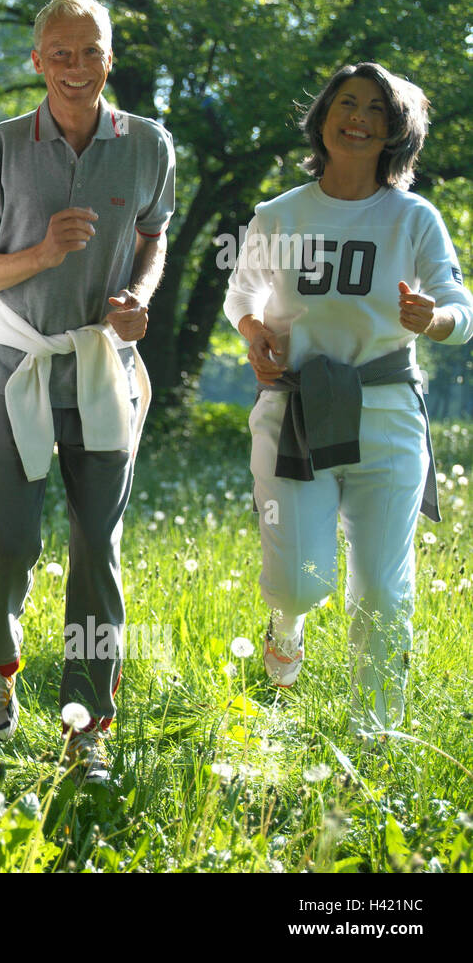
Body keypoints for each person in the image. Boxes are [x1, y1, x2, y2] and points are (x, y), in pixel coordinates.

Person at [0, 0, 174, 783]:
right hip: (17, 363)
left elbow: (154, 231)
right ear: (38, 59)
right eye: (61, 52)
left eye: (91, 52)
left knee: (96, 551)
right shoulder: (1, 146)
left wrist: (139, 295)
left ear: (110, 57)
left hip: (102, 368)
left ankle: (86, 725)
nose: (76, 68)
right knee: (11, 540)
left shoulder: (148, 143)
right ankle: (0, 667)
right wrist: (43, 254)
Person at [224, 62, 472, 743]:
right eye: (346, 103)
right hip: (294, 409)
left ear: (397, 130)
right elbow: (241, 295)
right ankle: (287, 625)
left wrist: (433, 321)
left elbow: (461, 307)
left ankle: (376, 735)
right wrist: (252, 333)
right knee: (299, 581)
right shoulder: (278, 215)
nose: (358, 117)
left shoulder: (414, 218)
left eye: (376, 109)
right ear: (324, 117)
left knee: (384, 587)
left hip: (386, 410)